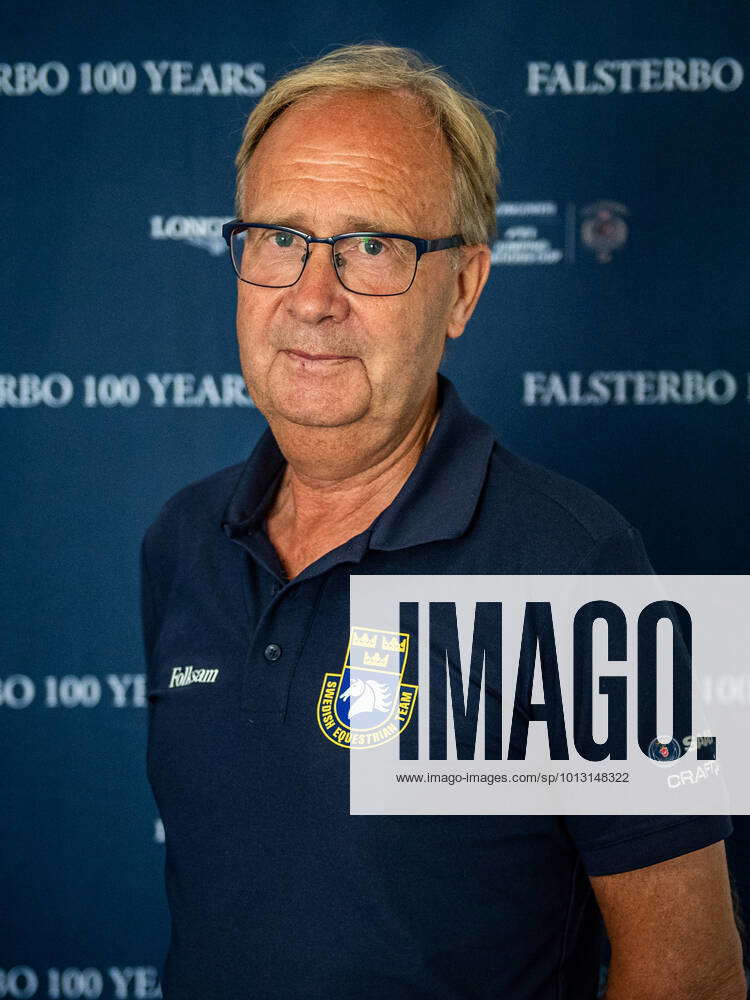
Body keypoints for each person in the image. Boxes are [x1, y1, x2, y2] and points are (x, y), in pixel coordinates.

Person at [140, 44, 745, 999]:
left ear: (462, 287)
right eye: (279, 238)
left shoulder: (580, 568)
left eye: (372, 246)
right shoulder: (183, 539)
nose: (311, 297)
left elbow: (695, 976)